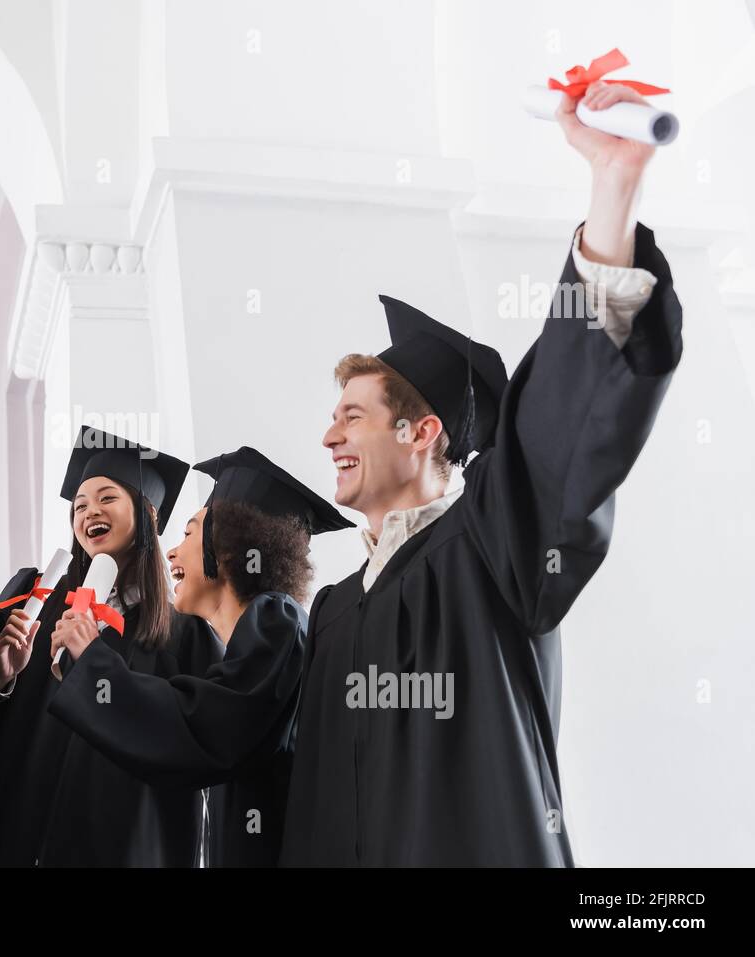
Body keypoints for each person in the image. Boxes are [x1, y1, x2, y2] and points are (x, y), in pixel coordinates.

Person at [281, 80, 684, 866]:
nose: (329, 434)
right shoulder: (331, 610)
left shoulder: (492, 541)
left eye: (352, 415)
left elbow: (559, 435)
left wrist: (612, 188)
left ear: (422, 430)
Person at [47, 447, 352, 866]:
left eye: (190, 533)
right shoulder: (258, 636)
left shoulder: (278, 618)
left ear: (226, 547)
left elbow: (201, 728)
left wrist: (94, 661)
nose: (171, 552)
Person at [0, 426, 224, 866]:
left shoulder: (185, 637)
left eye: (107, 498)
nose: (89, 512)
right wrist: (0, 679)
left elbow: (190, 750)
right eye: (79, 506)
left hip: (120, 844)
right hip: (19, 831)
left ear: (148, 514)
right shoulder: (35, 599)